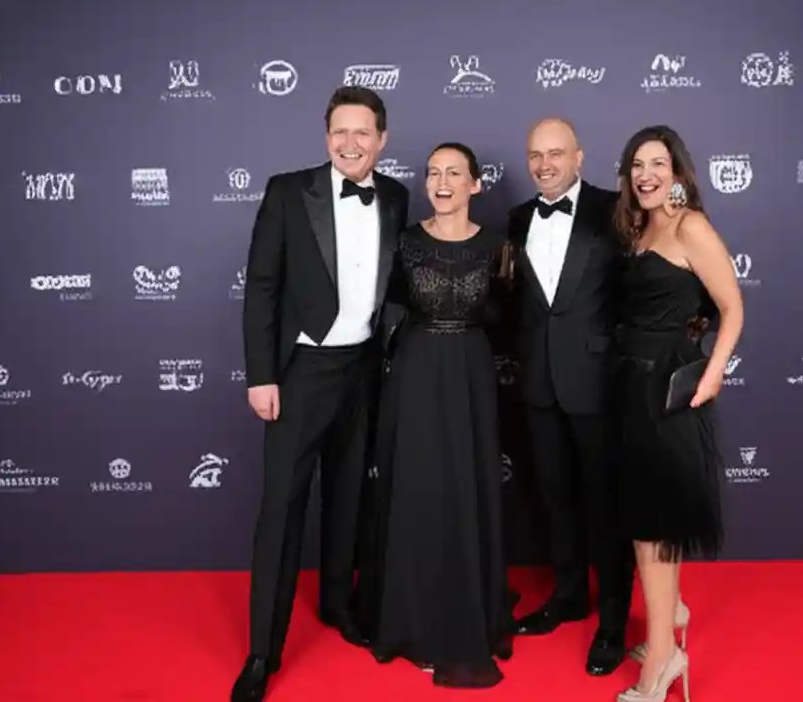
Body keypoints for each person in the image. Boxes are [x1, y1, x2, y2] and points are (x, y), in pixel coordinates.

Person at [231, 86, 410, 702]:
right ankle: (263, 651)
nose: (350, 143)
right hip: (301, 370)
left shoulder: (395, 196)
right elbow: (260, 288)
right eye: (340, 131)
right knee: (282, 508)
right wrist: (262, 375)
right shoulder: (288, 192)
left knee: (349, 497)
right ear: (325, 135)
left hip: (363, 369)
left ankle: (338, 605)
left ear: (382, 140)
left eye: (363, 132)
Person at [361, 142, 515, 688]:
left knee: (466, 491)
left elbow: (512, 320)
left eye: (455, 173)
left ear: (476, 184)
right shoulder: (403, 244)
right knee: (418, 493)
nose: (442, 181)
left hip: (472, 376)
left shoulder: (499, 247)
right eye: (433, 173)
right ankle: (413, 623)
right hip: (417, 373)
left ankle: (468, 614)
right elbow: (384, 314)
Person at [610, 125, 743, 702]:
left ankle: (662, 658)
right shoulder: (641, 226)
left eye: (657, 163)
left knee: (654, 529)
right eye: (637, 164)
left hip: (669, 391)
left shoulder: (691, 227)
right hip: (632, 387)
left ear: (679, 172)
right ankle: (668, 624)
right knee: (647, 521)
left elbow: (732, 308)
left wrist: (713, 374)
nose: (646, 174)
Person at [504, 117, 636, 675]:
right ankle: (567, 596)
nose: (545, 164)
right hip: (538, 383)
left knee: (605, 507)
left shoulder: (616, 210)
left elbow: (642, 287)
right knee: (554, 498)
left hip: (598, 383)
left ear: (580, 156)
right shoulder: (516, 218)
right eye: (536, 154)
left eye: (556, 153)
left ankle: (611, 623)